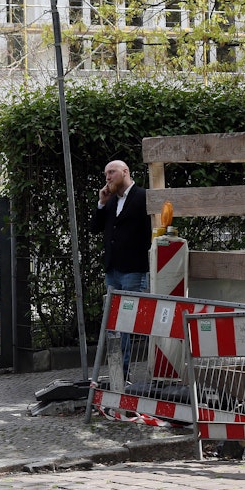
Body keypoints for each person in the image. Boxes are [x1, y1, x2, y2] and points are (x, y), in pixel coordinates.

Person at [89, 159, 151, 378]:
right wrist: (101, 204)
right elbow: (95, 228)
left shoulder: (143, 196)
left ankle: (160, 362)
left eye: (112, 172)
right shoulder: (111, 200)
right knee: (116, 322)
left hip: (134, 268)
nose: (107, 177)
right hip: (113, 269)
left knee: (133, 321)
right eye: (106, 173)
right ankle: (121, 374)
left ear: (125, 172)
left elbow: (150, 232)